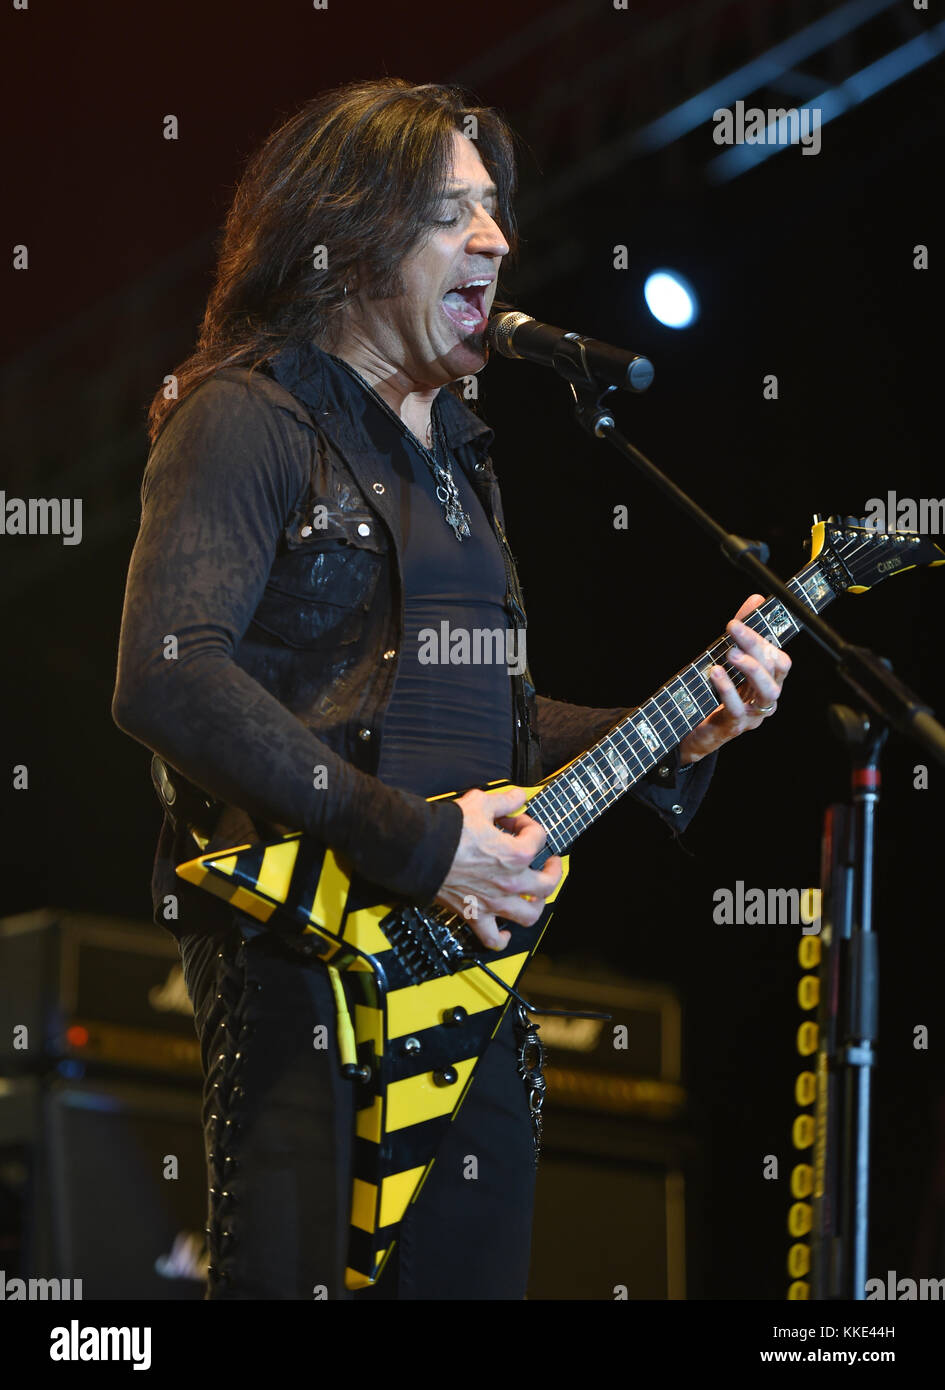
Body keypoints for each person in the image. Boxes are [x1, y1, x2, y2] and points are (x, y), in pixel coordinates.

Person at [111, 79, 791, 1301]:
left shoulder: (462, 467)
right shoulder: (247, 417)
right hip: (307, 967)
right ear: (345, 236)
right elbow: (170, 679)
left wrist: (681, 725)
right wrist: (421, 844)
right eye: (449, 216)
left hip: (466, 990)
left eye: (495, 210)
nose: (496, 241)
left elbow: (496, 727)